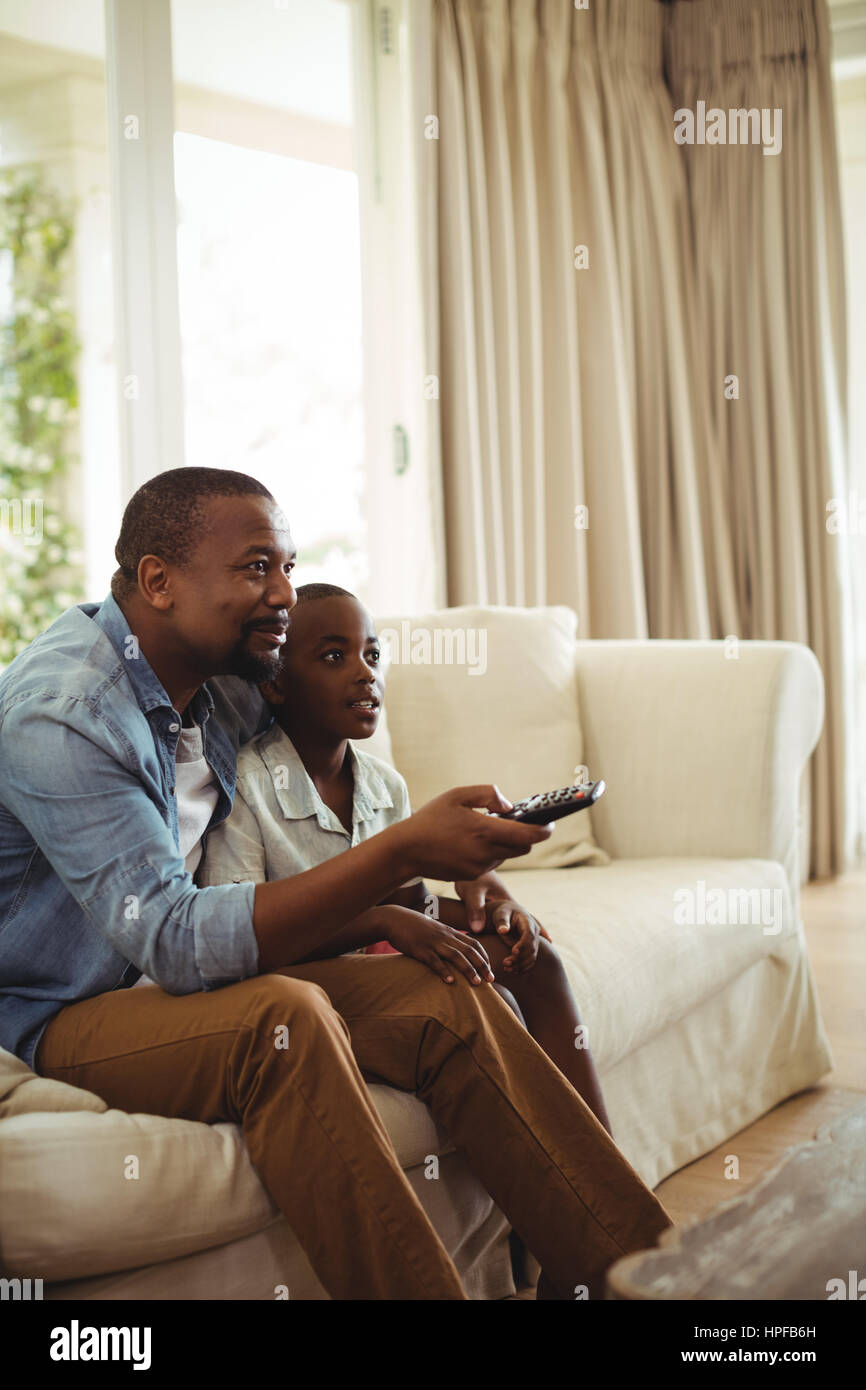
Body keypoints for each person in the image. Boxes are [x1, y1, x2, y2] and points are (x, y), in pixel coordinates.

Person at [0, 466, 673, 1299]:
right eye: (257, 568)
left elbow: (330, 735)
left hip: (174, 986)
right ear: (158, 582)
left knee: (447, 995)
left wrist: (471, 867)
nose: (284, 591)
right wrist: (403, 855)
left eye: (287, 565)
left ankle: (644, 1283)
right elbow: (173, 939)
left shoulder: (225, 681)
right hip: (61, 1010)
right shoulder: (66, 713)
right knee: (283, 1017)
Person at [199, 582, 613, 1136]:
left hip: (378, 957)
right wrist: (389, 919)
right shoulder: (246, 787)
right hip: (299, 986)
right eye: (333, 656)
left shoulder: (383, 786)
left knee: (531, 960)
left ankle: (602, 1169)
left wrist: (482, 913)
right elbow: (237, 931)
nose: (365, 672)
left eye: (372, 655)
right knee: (482, 1001)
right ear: (275, 683)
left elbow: (409, 902)